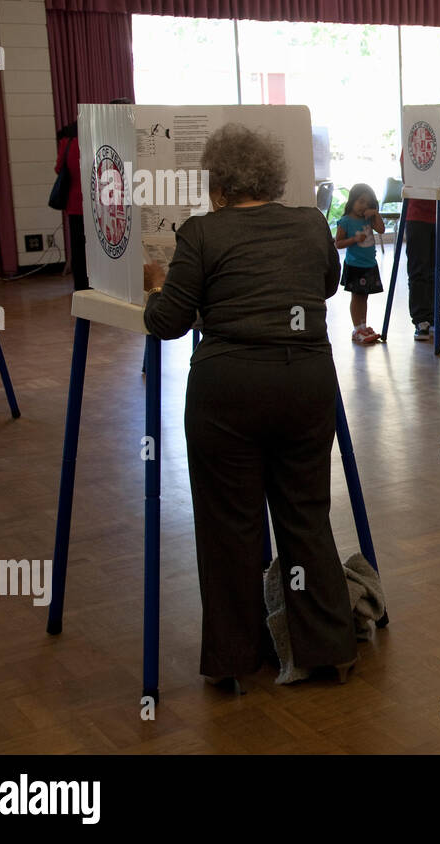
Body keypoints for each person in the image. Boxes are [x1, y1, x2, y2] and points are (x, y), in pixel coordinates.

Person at [142, 123, 357, 689]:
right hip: (307, 383)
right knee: (305, 516)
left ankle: (234, 662)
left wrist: (160, 287)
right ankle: (327, 648)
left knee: (229, 528)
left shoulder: (202, 234)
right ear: (272, 178)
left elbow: (167, 324)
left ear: (216, 187)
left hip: (228, 391)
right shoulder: (311, 222)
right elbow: (328, 285)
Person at [400, 149, 440, 341]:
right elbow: (407, 176)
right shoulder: (412, 143)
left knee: (437, 269)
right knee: (418, 270)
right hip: (418, 215)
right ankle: (421, 319)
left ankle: (433, 315)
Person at [334, 183, 386, 345]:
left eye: (368, 203)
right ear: (352, 201)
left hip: (369, 264)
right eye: (361, 201)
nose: (364, 206)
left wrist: (375, 214)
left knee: (364, 297)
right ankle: (357, 329)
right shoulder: (346, 221)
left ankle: (363, 325)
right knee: (357, 297)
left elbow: (381, 229)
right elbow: (338, 243)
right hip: (355, 265)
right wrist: (354, 240)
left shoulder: (369, 219)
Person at [55, 121, 87, 291]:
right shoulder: (97, 140)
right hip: (100, 202)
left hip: (75, 203)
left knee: (78, 247)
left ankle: (81, 287)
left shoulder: (67, 142)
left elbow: (58, 168)